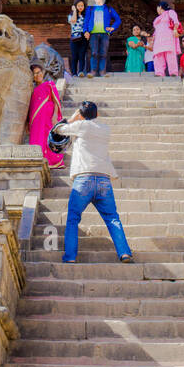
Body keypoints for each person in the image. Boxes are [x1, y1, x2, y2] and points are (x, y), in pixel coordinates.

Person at [53, 101, 133, 264]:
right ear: (97, 115)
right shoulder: (105, 129)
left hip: (83, 178)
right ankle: (124, 252)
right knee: (112, 218)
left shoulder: (81, 125)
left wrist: (72, 119)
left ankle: (70, 257)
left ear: (82, 115)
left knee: (73, 218)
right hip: (103, 178)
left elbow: (58, 130)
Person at [27, 64, 64, 168]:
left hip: (48, 118)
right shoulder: (32, 89)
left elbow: (56, 101)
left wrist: (55, 115)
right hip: (36, 120)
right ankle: (37, 160)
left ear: (42, 73)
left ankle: (52, 162)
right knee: (38, 138)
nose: (37, 75)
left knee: (47, 138)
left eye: (38, 72)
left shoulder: (49, 84)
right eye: (34, 74)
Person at [83, 0, 120, 77]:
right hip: (93, 34)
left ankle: (102, 71)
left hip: (105, 34)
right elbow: (86, 21)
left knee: (103, 53)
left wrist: (112, 27)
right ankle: (93, 71)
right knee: (94, 53)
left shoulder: (108, 8)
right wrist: (85, 31)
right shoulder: (90, 8)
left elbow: (118, 20)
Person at [151, 1, 182, 77]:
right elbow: (156, 30)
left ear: (160, 7)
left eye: (157, 8)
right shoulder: (157, 19)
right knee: (158, 56)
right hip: (158, 40)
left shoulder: (170, 12)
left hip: (168, 39)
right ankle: (159, 73)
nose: (157, 10)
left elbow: (175, 21)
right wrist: (153, 39)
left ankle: (173, 73)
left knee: (170, 55)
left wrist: (175, 29)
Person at [66, 0, 88, 78]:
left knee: (82, 55)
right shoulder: (70, 15)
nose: (80, 7)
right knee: (74, 56)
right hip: (75, 36)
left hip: (83, 37)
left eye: (82, 5)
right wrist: (75, 11)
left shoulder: (86, 16)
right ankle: (74, 73)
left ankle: (81, 72)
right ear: (75, 6)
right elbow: (73, 21)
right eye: (78, 6)